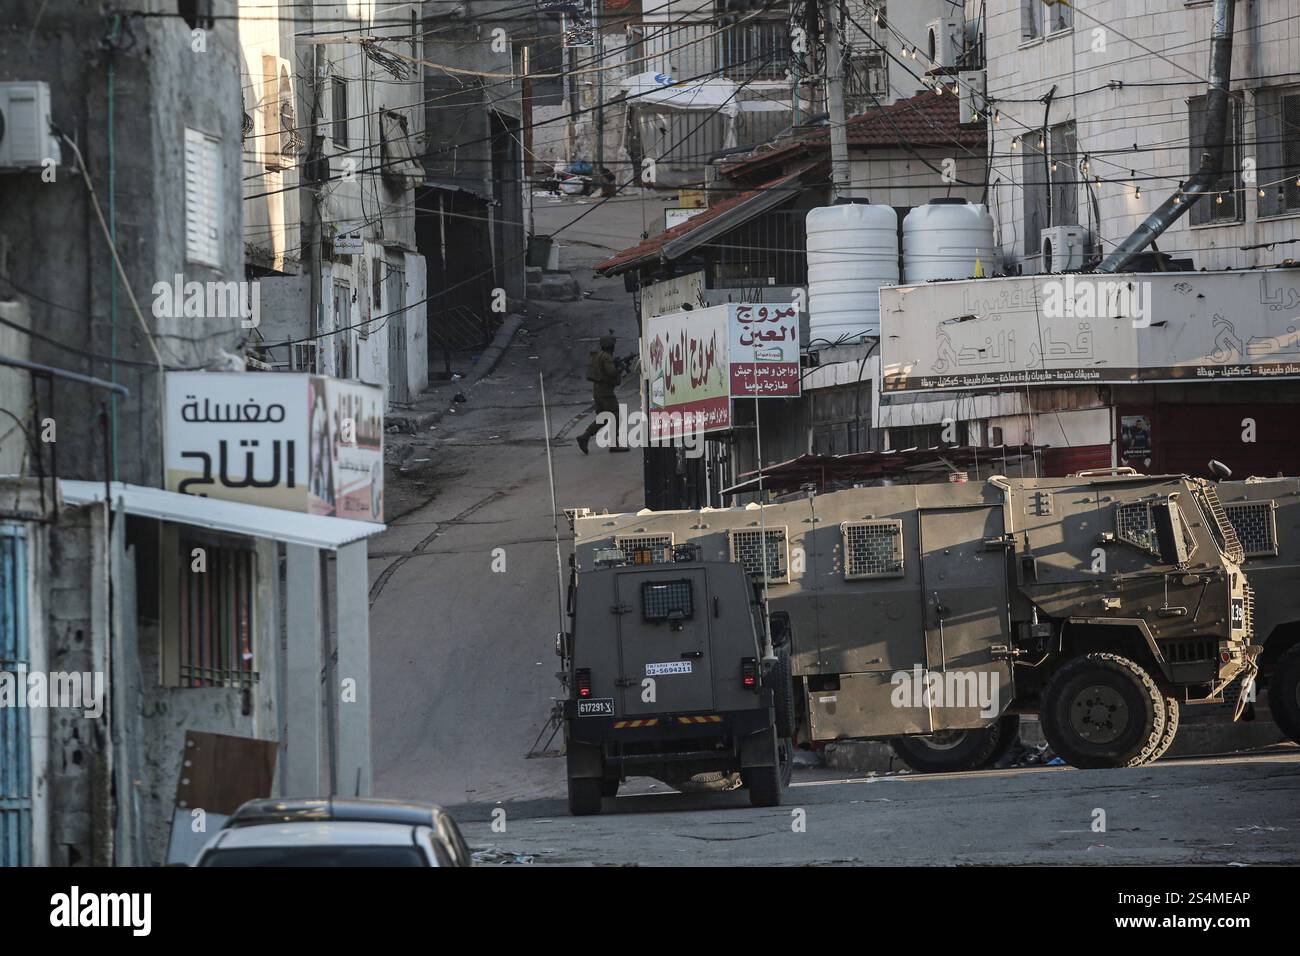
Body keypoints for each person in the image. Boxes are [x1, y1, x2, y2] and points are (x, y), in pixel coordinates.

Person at [577, 334, 629, 454]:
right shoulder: (606, 357)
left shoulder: (599, 356)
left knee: (603, 418)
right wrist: (619, 368)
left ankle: (585, 436)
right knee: (614, 415)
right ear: (611, 346)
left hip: (598, 390)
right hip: (606, 392)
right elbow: (611, 373)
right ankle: (614, 444)